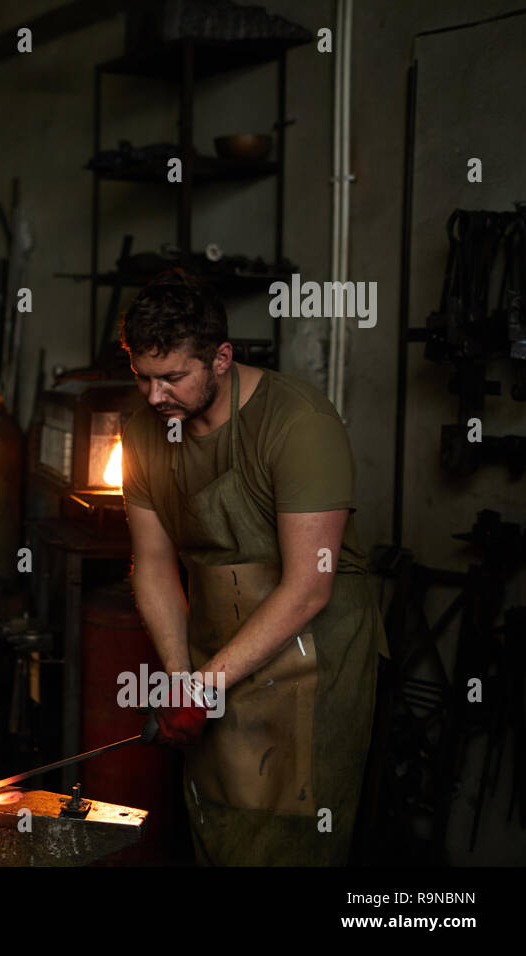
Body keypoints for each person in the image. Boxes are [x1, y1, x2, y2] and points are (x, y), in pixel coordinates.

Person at [118, 270, 388, 865]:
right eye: (143, 377)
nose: (155, 397)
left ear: (220, 358)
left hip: (312, 659)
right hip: (218, 652)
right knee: (219, 825)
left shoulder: (299, 424)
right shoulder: (142, 431)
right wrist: (180, 676)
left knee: (290, 838)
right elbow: (154, 565)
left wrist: (206, 684)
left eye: (172, 378)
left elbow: (309, 587)